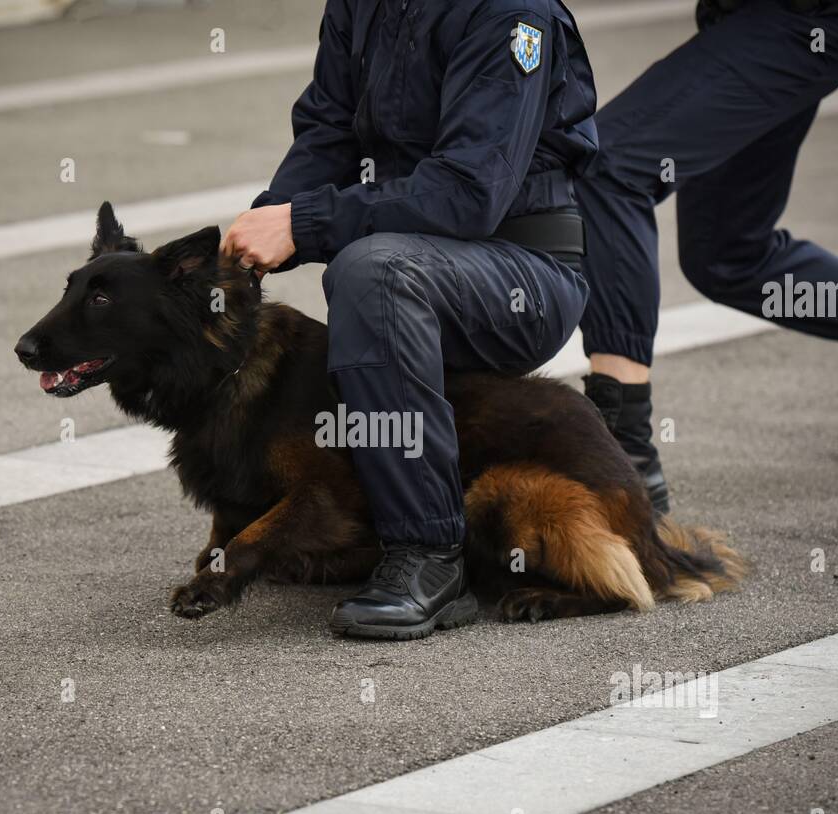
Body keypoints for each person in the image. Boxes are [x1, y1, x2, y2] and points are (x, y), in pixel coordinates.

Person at [222, 0, 600, 639]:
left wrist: (304, 224)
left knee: (370, 272)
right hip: (420, 253)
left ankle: (426, 556)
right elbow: (328, 130)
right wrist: (255, 239)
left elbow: (468, 193)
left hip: (524, 270)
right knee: (371, 266)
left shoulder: (511, 14)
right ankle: (366, 531)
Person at [577, 0, 838, 513]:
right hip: (762, 23)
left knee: (610, 166)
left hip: (801, 20)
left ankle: (628, 458)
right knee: (726, 253)